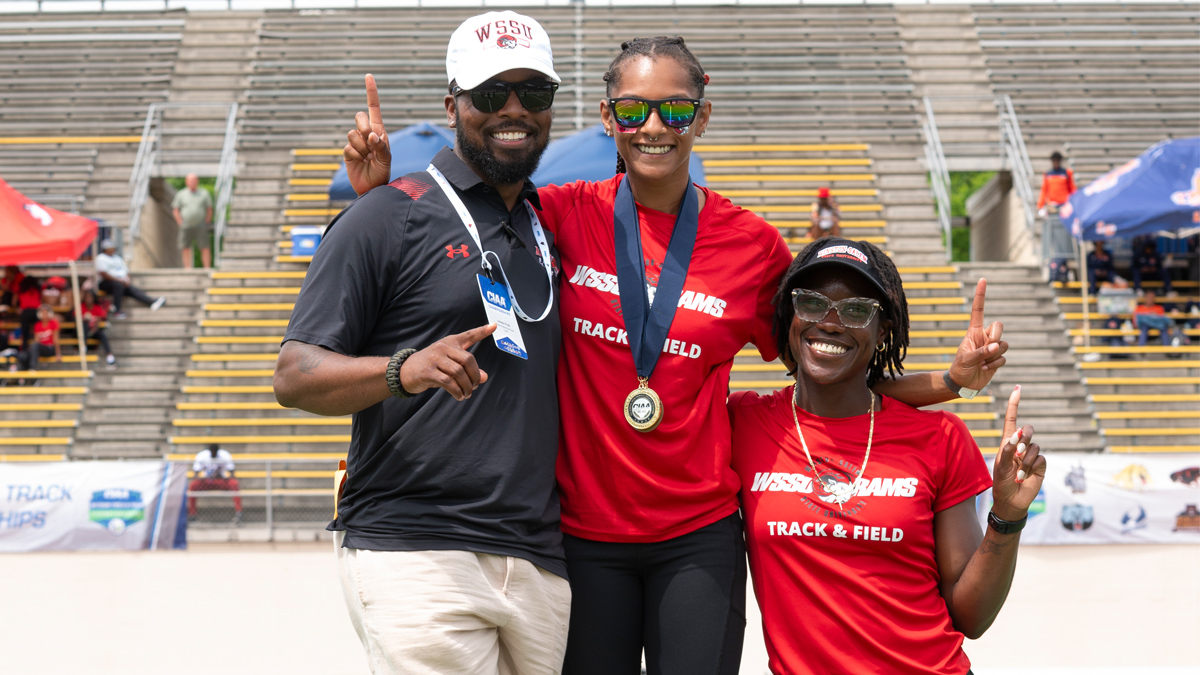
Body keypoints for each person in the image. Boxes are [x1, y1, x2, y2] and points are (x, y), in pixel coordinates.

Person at [347, 32, 1008, 675]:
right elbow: (440, 244)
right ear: (609, 118)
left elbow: (830, 383)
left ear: (703, 116)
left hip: (697, 538)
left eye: (675, 108)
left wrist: (950, 381)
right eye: (632, 110)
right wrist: (373, 196)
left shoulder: (752, 246)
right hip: (580, 535)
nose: (654, 125)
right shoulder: (558, 215)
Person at [277, 12, 571, 674]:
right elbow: (293, 373)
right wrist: (402, 370)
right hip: (418, 548)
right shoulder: (386, 213)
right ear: (452, 105)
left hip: (540, 558)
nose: (514, 110)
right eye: (492, 94)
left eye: (534, 92)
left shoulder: (549, 223)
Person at [729, 238, 1045, 675]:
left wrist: (1007, 517)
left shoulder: (939, 437)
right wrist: (950, 382)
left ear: (883, 332)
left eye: (857, 310)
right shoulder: (743, 423)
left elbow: (971, 618)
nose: (832, 322)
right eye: (811, 303)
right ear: (788, 316)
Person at [94, 239, 165, 319]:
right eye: (109, 248)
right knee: (118, 286)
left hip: (120, 283)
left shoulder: (117, 258)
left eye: (112, 248)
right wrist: (119, 280)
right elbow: (103, 274)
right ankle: (117, 310)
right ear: (105, 249)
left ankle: (151, 301)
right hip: (106, 283)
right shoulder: (101, 258)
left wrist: (126, 279)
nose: (111, 250)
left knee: (131, 289)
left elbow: (126, 270)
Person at [189, 443, 242, 523]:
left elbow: (232, 473)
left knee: (234, 484)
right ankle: (192, 514)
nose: (213, 453)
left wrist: (224, 477)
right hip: (206, 481)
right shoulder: (202, 456)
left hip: (220, 480)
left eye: (215, 452)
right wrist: (203, 478)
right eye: (212, 452)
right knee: (193, 485)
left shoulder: (225, 455)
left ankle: (239, 513)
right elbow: (195, 474)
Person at [172, 173, 214, 269]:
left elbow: (209, 208)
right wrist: (179, 222)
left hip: (201, 224)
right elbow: (175, 209)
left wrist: (207, 221)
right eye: (190, 180)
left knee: (205, 247)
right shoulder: (181, 194)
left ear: (197, 181)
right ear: (186, 182)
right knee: (185, 247)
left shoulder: (204, 193)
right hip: (186, 225)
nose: (192, 182)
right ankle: (188, 268)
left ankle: (206, 268)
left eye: (194, 180)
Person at [17, 304, 61, 371]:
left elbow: (56, 339)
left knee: (35, 346)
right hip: (40, 349)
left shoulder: (54, 323)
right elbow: (36, 340)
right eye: (43, 313)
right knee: (23, 355)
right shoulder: (37, 325)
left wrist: (58, 354)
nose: (44, 315)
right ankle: (21, 375)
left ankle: (32, 368)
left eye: (46, 313)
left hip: (50, 348)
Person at [81, 289, 116, 367]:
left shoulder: (97, 307)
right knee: (84, 326)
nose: (88, 299)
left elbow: (101, 318)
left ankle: (110, 356)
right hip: (83, 332)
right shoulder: (81, 307)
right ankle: (83, 346)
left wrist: (94, 326)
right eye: (86, 297)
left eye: (90, 297)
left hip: (94, 330)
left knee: (103, 335)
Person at [1037, 150, 1075, 217]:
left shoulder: (1067, 173)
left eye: (1058, 160)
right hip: (1052, 205)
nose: (1056, 162)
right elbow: (1044, 190)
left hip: (1064, 204)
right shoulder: (1048, 174)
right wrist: (1040, 205)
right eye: (1054, 161)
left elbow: (1072, 189)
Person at [15, 276, 41, 350]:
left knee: (25, 332)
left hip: (25, 312)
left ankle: (24, 349)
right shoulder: (36, 290)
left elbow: (14, 302)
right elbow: (40, 300)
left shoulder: (21, 290)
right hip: (36, 311)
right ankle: (37, 347)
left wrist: (18, 307)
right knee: (37, 330)